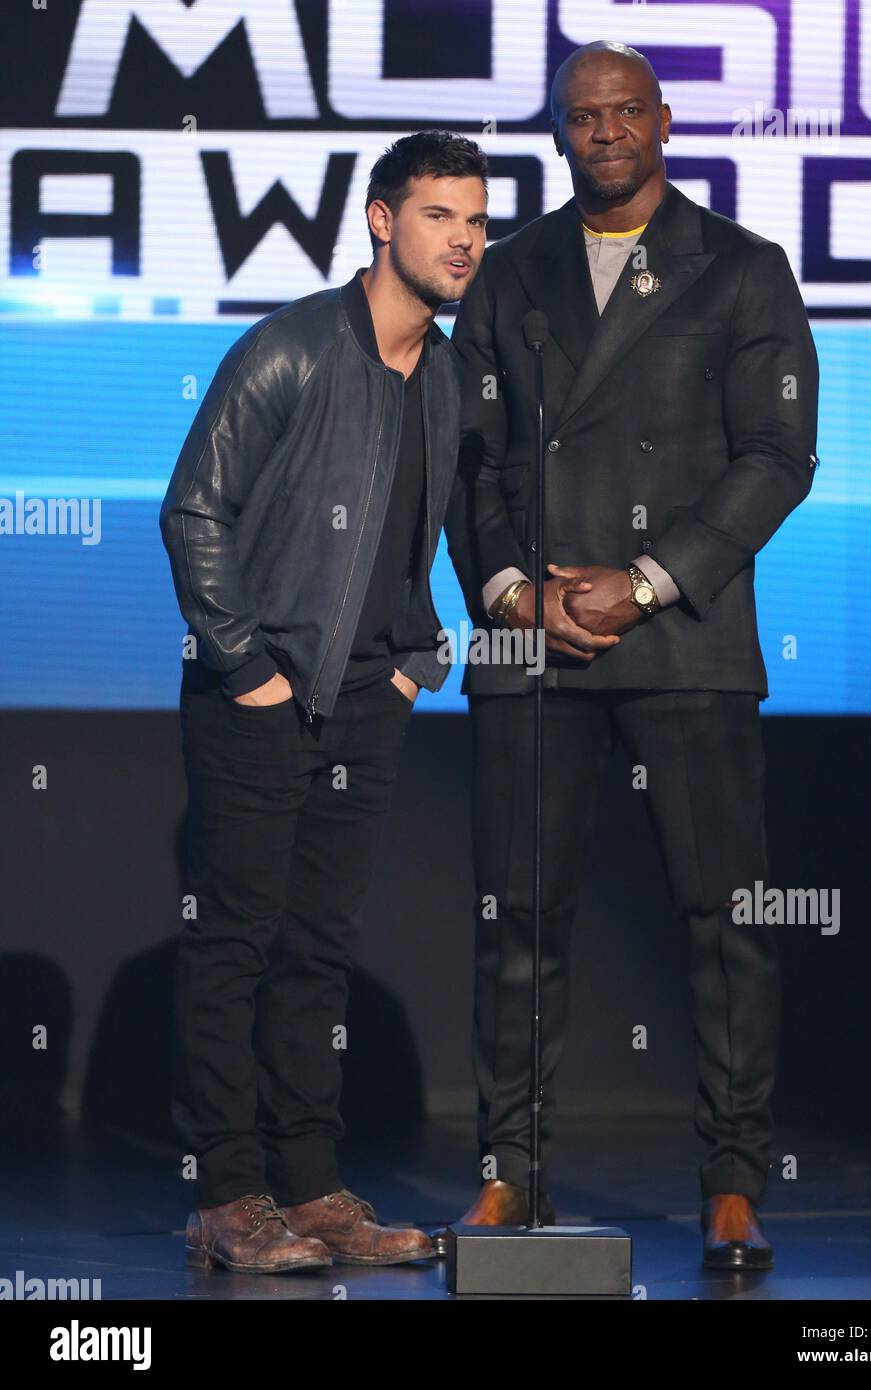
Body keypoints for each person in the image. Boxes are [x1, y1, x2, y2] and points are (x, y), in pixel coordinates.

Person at [439, 42, 819, 1270]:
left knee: (725, 920)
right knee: (518, 921)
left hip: (685, 634)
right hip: (533, 636)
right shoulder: (508, 274)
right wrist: (509, 588)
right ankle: (511, 1175)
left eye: (622, 110)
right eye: (580, 115)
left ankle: (730, 1181)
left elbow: (776, 458)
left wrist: (648, 579)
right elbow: (469, 458)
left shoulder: (743, 271)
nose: (602, 130)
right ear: (560, 133)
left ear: (663, 121)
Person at [159, 131, 488, 1273]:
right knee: (235, 945)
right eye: (440, 214)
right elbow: (193, 510)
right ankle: (225, 1194)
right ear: (382, 222)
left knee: (318, 951)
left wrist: (417, 660)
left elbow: (428, 541)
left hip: (370, 698)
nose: (463, 239)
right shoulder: (290, 348)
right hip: (258, 697)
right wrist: (247, 665)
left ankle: (308, 1187)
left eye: (477, 220)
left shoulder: (447, 376)